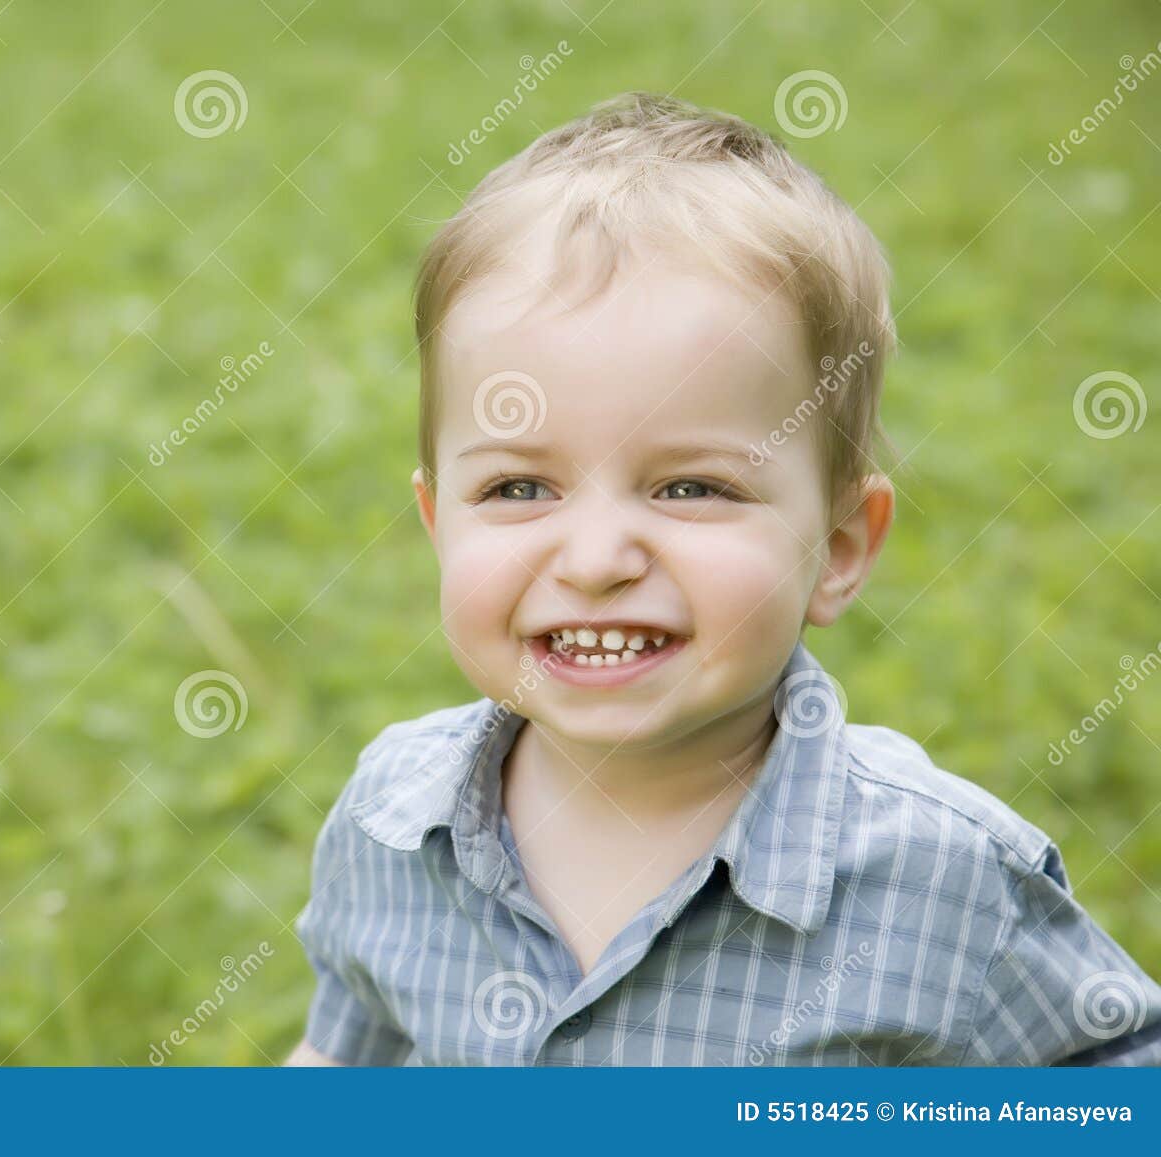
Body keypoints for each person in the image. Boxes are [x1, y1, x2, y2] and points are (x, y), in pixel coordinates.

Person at [284, 92, 1161, 1066]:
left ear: (836, 548)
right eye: (519, 485)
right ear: (438, 523)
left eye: (691, 486)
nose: (594, 559)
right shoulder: (393, 821)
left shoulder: (943, 881)